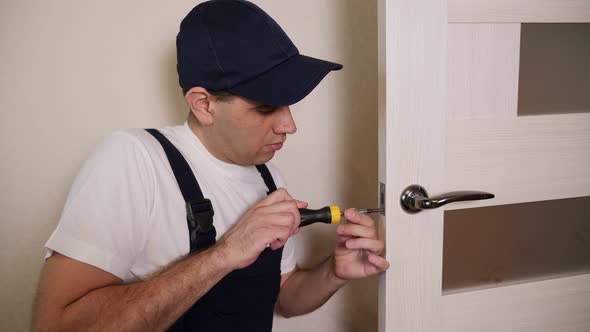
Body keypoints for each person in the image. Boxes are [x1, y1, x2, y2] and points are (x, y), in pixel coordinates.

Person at [32, 1, 389, 331]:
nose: (289, 125)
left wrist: (334, 272)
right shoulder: (133, 160)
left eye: (289, 106)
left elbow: (285, 297)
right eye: (267, 107)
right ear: (203, 104)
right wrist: (225, 254)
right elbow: (54, 326)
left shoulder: (267, 176)